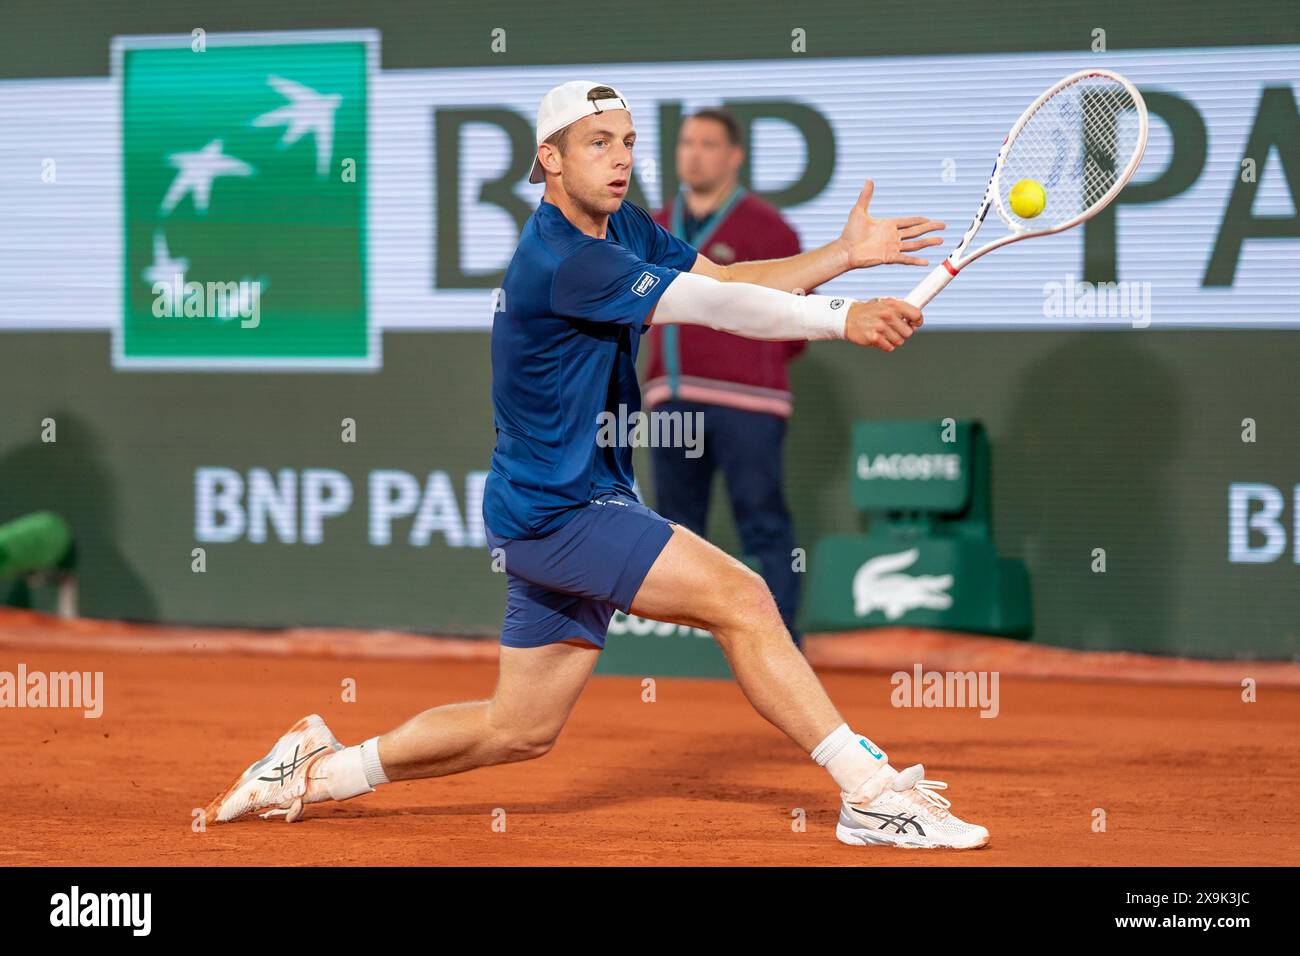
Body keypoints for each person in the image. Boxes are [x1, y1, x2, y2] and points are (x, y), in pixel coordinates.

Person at [205, 81, 988, 849]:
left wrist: (842, 257)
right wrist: (841, 320)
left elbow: (722, 279)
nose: (620, 160)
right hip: (561, 508)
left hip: (559, 500)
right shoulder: (562, 261)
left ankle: (312, 772)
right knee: (743, 599)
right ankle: (871, 793)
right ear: (549, 158)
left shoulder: (625, 230)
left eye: (627, 143)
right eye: (597, 143)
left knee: (517, 730)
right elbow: (716, 310)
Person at [643, 109, 807, 644]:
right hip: (670, 400)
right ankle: (687, 649)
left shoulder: (768, 227)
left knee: (761, 522)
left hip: (749, 403)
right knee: (674, 530)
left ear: (734, 157)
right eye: (686, 142)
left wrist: (746, 358)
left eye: (708, 143)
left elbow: (797, 321)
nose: (693, 152)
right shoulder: (655, 223)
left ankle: (779, 642)